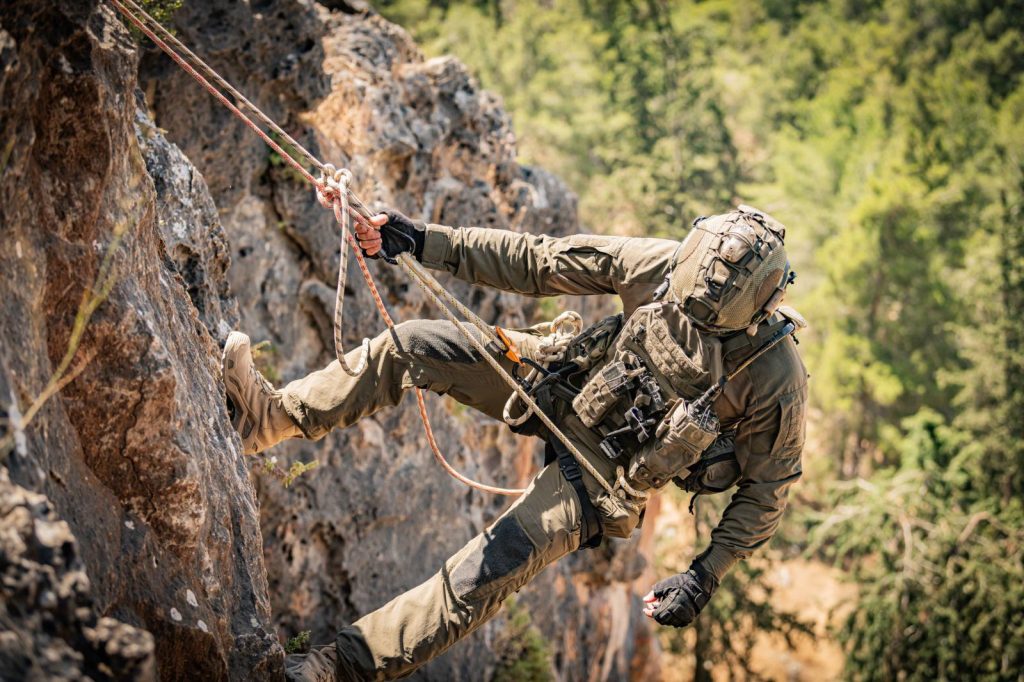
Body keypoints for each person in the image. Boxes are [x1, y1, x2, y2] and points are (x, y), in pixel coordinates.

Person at [223, 205, 808, 681]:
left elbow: (769, 489)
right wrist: (422, 240)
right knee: (412, 345)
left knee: (484, 569)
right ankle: (268, 419)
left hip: (606, 481)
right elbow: (539, 260)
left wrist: (703, 576)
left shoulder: (773, 375)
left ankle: (332, 669)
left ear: (757, 310)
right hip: (559, 388)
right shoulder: (659, 266)